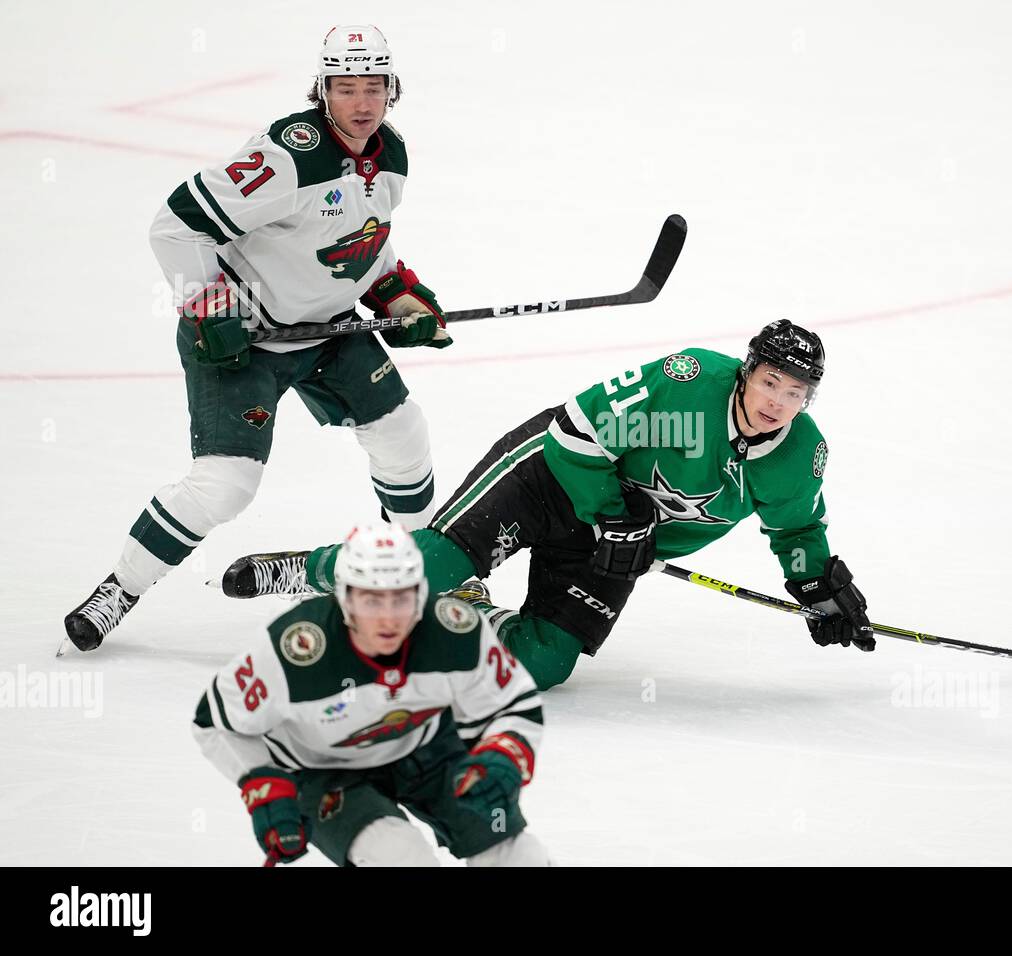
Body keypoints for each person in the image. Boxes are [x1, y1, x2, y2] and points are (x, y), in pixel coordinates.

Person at [63, 24, 450, 652]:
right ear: (322, 90)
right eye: (345, 87)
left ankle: (427, 571)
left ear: (391, 89)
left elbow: (366, 240)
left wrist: (398, 294)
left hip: (325, 331)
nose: (361, 102)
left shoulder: (392, 155)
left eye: (373, 87)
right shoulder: (288, 157)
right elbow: (175, 226)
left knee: (404, 433)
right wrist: (210, 304)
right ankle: (121, 589)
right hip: (243, 340)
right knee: (226, 486)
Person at [223, 320, 875, 690]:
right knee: (426, 572)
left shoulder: (797, 456)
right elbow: (577, 429)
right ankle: (306, 569)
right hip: (554, 478)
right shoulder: (689, 383)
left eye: (795, 394)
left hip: (611, 546)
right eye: (769, 382)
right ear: (745, 372)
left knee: (541, 666)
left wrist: (815, 584)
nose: (777, 403)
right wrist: (614, 512)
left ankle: (473, 614)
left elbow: (796, 529)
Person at [193, 522, 549, 867]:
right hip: (326, 769)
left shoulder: (454, 629)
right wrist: (263, 783)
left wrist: (504, 754)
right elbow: (216, 721)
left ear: (422, 594)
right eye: (371, 601)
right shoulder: (296, 648)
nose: (388, 619)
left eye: (401, 598)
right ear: (344, 598)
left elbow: (512, 703)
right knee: (401, 858)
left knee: (517, 855)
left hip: (426, 750)